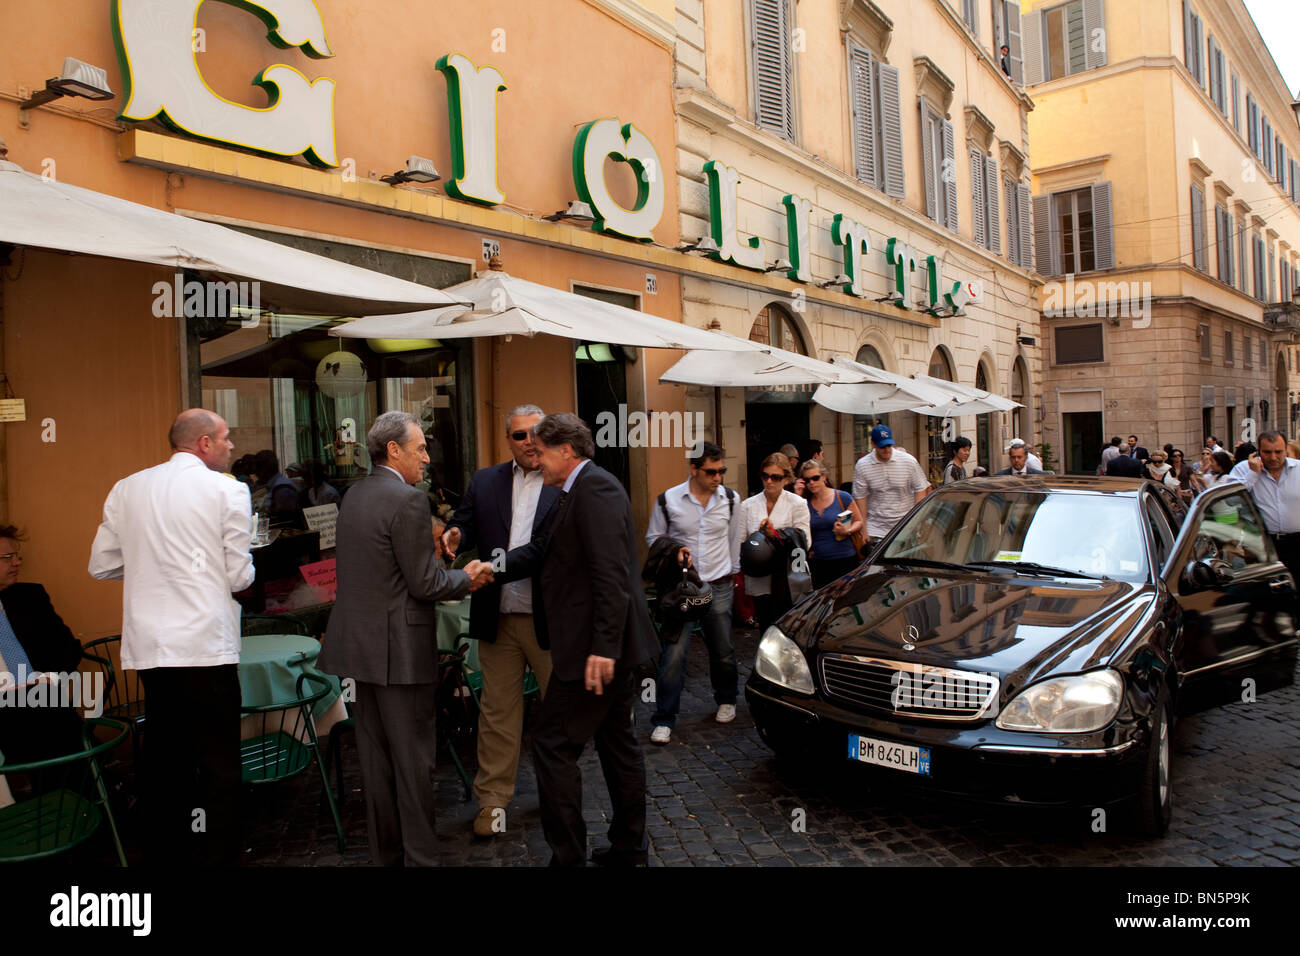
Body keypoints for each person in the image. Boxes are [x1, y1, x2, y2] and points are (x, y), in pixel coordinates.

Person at [318, 411, 494, 866]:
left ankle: (388, 856)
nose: (427, 457)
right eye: (420, 448)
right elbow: (425, 585)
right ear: (393, 449)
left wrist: (432, 558)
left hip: (360, 648)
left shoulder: (355, 494)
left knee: (376, 764)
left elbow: (382, 568)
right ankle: (421, 858)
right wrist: (465, 577)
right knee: (414, 763)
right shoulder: (409, 500)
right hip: (399, 649)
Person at [88, 408, 255, 866]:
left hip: (153, 647)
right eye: (224, 439)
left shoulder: (128, 488)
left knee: (165, 754)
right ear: (203, 443)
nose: (231, 446)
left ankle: (167, 849)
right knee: (219, 757)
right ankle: (220, 851)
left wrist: (149, 562)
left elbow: (102, 564)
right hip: (206, 642)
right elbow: (240, 577)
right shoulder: (227, 490)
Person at [498, 414, 658, 868]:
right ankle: (629, 849)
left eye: (542, 452)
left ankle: (568, 856)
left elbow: (612, 577)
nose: (537, 461)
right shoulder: (573, 490)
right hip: (601, 647)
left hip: (597, 651)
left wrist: (603, 649)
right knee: (616, 743)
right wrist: (490, 569)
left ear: (566, 451)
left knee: (551, 744)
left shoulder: (597, 489)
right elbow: (541, 551)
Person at [442, 404, 560, 837]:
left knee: (558, 713)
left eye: (535, 433)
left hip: (548, 619)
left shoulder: (563, 480)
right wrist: (455, 533)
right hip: (498, 617)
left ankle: (557, 795)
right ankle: (492, 803)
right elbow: (466, 524)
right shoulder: (486, 479)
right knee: (496, 715)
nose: (529, 441)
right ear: (507, 439)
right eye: (519, 434)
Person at [644, 442, 743, 745]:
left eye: (722, 471)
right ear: (694, 469)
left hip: (719, 584)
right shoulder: (668, 500)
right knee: (673, 653)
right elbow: (653, 537)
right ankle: (664, 718)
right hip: (681, 588)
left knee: (722, 648)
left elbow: (734, 538)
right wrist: (674, 551)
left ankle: (726, 698)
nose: (718, 477)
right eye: (711, 471)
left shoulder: (730, 499)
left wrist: (733, 576)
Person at [0, 525, 85, 775]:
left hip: (40, 693)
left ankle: (81, 797)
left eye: (18, 556)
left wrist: (52, 676)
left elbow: (68, 646)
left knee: (52, 715)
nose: (16, 563)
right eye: (7, 558)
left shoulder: (30, 596)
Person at [741, 453, 812, 632]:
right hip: (759, 577)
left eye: (775, 477)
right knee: (765, 627)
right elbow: (740, 542)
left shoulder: (797, 503)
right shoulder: (748, 505)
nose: (769, 481)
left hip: (787, 578)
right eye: (765, 476)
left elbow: (806, 541)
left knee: (786, 629)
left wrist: (775, 535)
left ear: (786, 479)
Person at [1237, 431, 1300, 589]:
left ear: (1286, 450)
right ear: (1258, 452)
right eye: (1267, 452)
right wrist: (1253, 475)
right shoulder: (1244, 470)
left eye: (1278, 452)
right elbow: (1231, 500)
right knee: (1266, 595)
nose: (1273, 457)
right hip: (1263, 546)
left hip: (1297, 542)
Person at [853, 425, 929, 547]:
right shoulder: (863, 465)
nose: (887, 450)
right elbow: (860, 497)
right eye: (882, 446)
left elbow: (921, 488)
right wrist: (864, 529)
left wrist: (915, 521)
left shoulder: (908, 461)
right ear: (872, 444)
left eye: (889, 445)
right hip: (876, 528)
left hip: (904, 526)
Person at [801, 459, 864, 589]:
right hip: (819, 563)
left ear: (824, 477)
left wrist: (848, 531)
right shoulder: (804, 503)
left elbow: (859, 521)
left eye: (815, 478)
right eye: (807, 480)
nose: (811, 483)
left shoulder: (842, 497)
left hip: (845, 560)